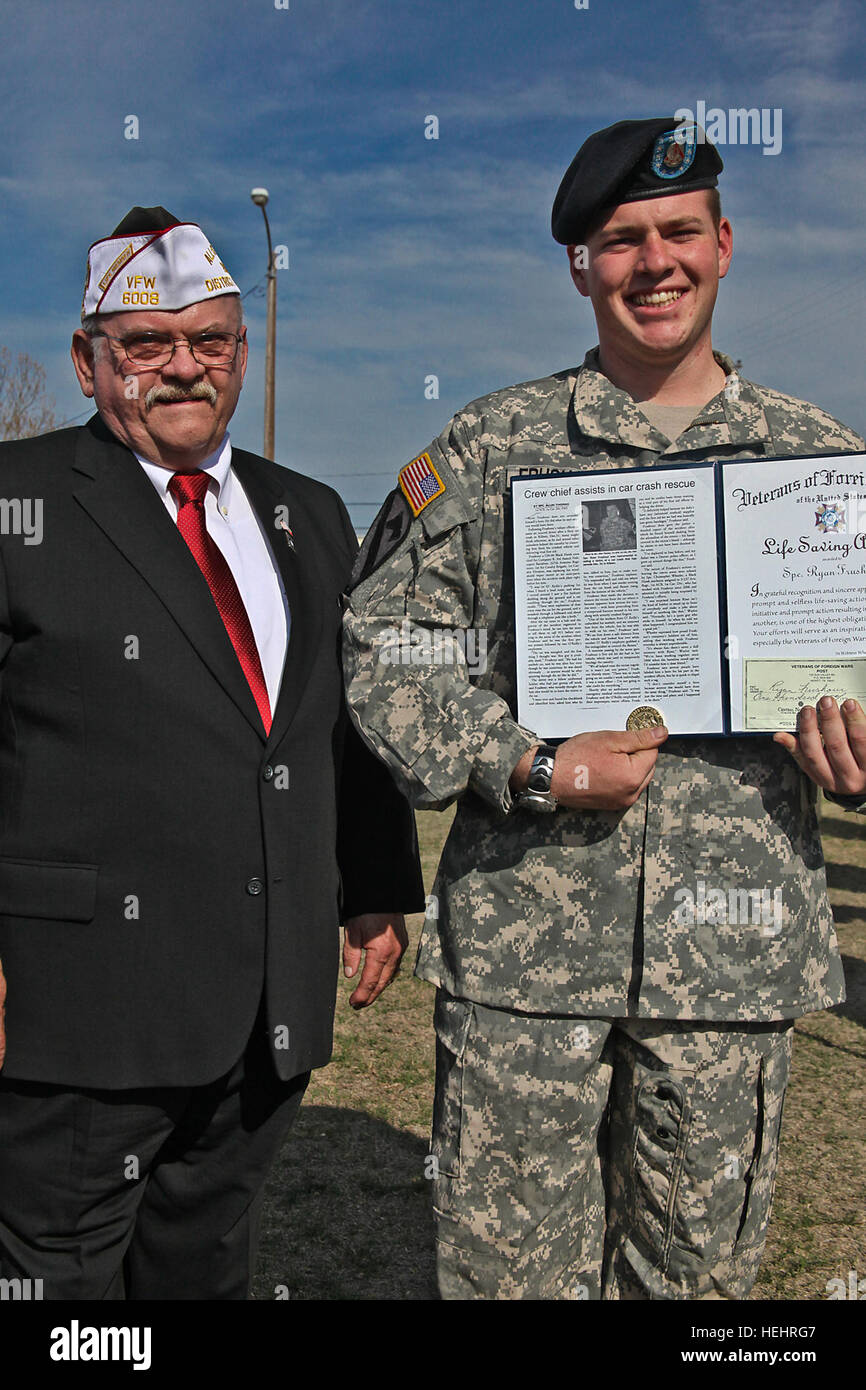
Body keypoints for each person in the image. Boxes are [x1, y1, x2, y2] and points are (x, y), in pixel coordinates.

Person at [343, 118, 866, 1300]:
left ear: (723, 244)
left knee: (696, 1291)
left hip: (726, 976)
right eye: (618, 240)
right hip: (528, 963)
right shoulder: (488, 451)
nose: (653, 262)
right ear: (578, 264)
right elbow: (386, 650)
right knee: (507, 1284)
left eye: (678, 232)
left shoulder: (819, 468)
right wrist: (528, 763)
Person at [0, 206, 424, 1300]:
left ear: (241, 352)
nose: (183, 367)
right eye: (148, 344)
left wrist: (372, 886)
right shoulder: (19, 502)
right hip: (78, 1008)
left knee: (202, 1265)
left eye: (212, 341)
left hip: (262, 1004)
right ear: (92, 363)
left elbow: (337, 716)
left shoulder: (310, 513)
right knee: (61, 1284)